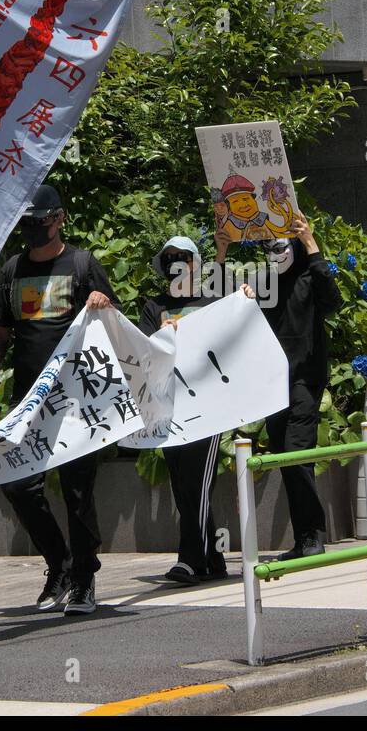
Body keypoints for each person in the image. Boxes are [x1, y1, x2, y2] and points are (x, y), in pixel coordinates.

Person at [0, 184, 116, 615]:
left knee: (77, 492)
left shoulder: (81, 264)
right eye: (27, 224)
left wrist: (101, 303)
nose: (34, 230)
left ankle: (84, 580)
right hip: (29, 401)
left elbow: (114, 327)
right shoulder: (13, 270)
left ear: (59, 220)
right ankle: (60, 564)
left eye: (41, 222)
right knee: (17, 482)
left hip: (76, 401)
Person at [219, 213, 342, 560]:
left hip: (305, 377)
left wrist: (311, 244)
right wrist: (241, 289)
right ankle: (303, 536)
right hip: (272, 381)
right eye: (268, 247)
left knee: (297, 452)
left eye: (280, 245)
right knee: (283, 456)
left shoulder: (309, 275)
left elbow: (332, 301)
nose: (274, 252)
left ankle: (313, 533)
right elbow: (220, 302)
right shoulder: (263, 282)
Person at [137, 237, 229, 584]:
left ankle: (188, 559)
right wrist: (160, 336)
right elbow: (143, 351)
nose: (177, 263)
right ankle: (212, 559)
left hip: (207, 405)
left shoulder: (212, 299)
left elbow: (233, 328)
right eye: (170, 258)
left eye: (184, 257)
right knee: (182, 484)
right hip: (169, 406)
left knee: (198, 482)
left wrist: (247, 298)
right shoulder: (153, 306)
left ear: (196, 262)